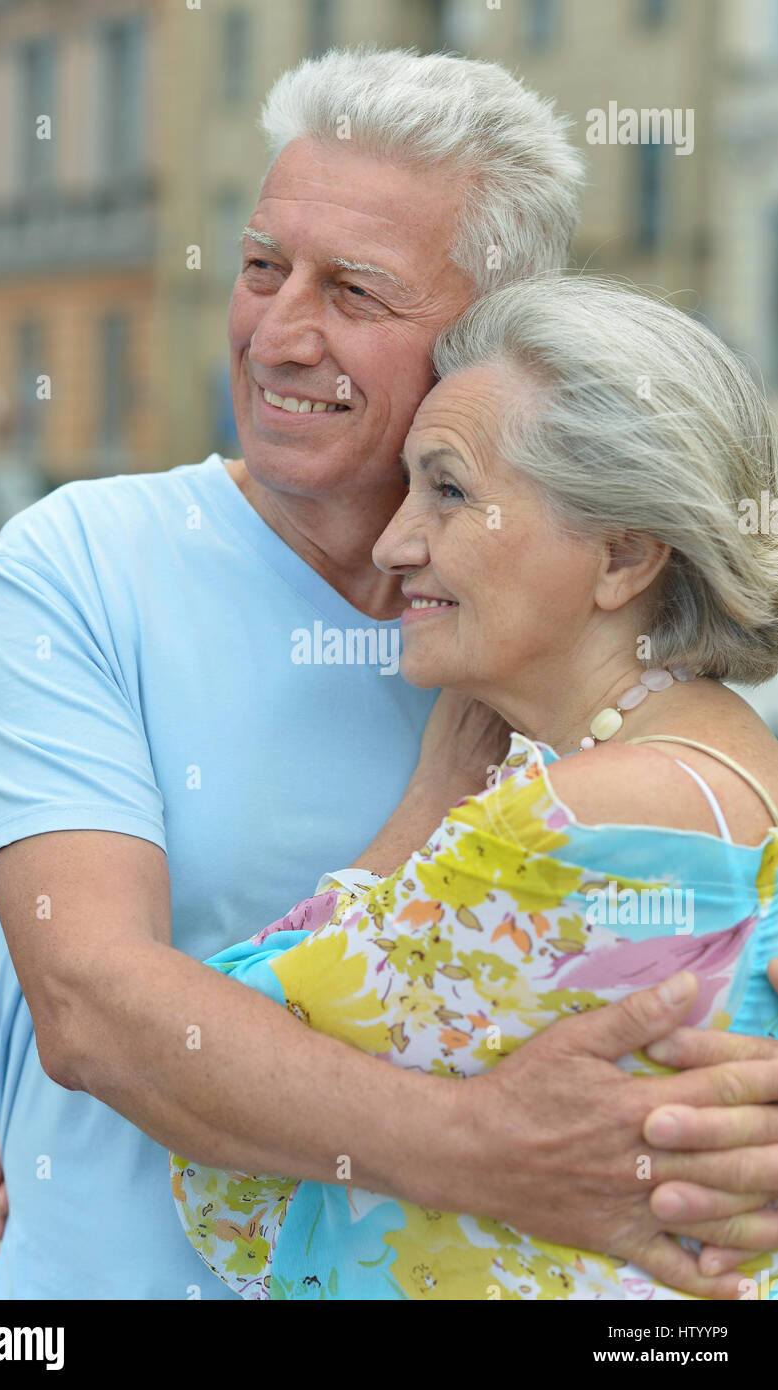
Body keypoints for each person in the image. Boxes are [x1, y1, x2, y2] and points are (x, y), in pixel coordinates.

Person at [0, 49, 778, 1301]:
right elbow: (95, 1010)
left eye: (353, 291)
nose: (280, 335)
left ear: (487, 334)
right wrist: (490, 1152)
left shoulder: (551, 651)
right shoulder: (79, 562)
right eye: (258, 270)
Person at [171, 274, 778, 1300]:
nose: (392, 542)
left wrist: (422, 809)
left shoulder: (583, 819)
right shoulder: (727, 767)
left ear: (622, 554)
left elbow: (202, 1082)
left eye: (448, 490)